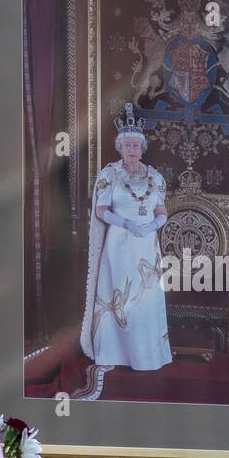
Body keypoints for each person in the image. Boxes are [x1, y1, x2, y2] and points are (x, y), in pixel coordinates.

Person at [79, 104, 173, 371]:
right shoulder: (110, 175)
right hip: (119, 243)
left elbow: (162, 210)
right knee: (120, 296)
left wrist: (153, 224)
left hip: (145, 243)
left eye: (136, 146)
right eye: (127, 145)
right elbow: (100, 211)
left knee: (145, 296)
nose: (132, 150)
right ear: (120, 147)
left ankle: (145, 354)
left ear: (142, 148)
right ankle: (115, 353)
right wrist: (127, 224)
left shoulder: (154, 177)